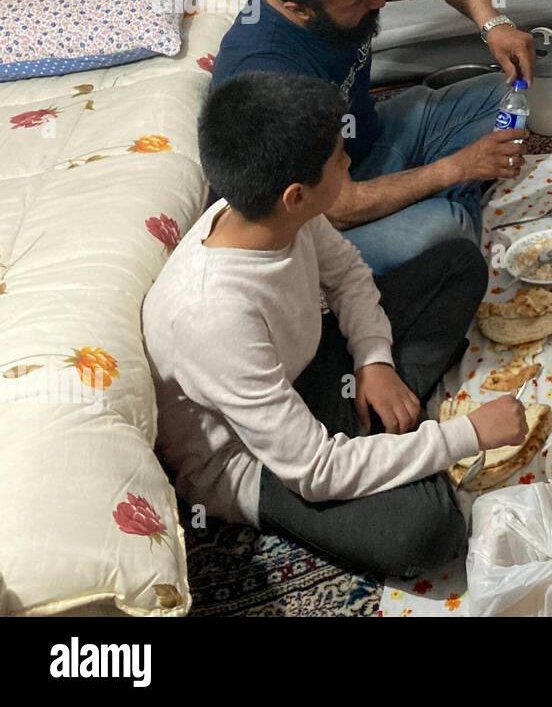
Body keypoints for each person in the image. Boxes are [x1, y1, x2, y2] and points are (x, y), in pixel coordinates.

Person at [142, 72, 527, 576]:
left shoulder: (267, 212)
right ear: (296, 195)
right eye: (339, 159)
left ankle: (385, 421)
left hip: (314, 367)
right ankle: (392, 436)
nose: (349, 163)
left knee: (459, 263)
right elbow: (312, 470)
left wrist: (374, 360)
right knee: (428, 533)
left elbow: (347, 274)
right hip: (258, 460)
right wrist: (467, 435)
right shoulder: (212, 315)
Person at [212, 0, 537, 276]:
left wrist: (494, 25)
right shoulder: (267, 74)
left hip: (372, 142)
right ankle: (444, 205)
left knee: (510, 92)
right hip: (321, 219)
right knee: (448, 232)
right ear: (300, 10)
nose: (380, 0)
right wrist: (457, 168)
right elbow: (340, 207)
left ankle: (431, 195)